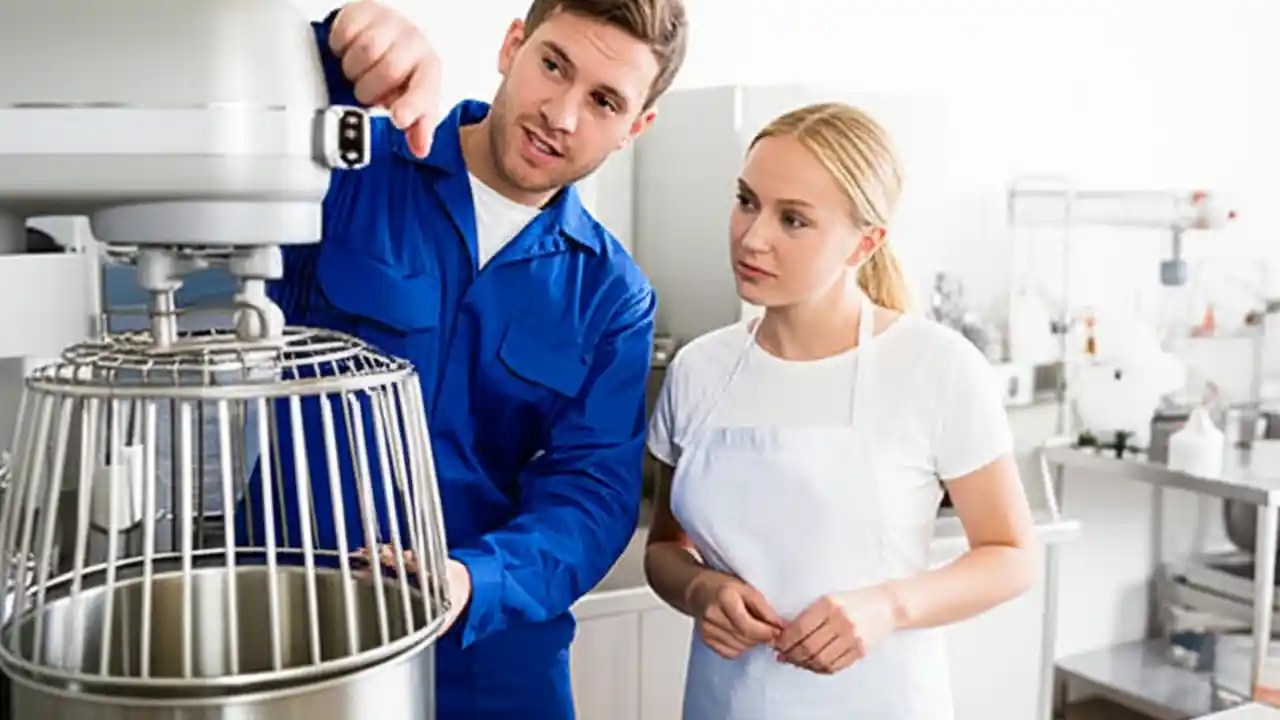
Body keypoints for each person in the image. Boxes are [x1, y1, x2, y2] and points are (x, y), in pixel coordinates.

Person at [237, 1, 689, 718]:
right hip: (301, 625)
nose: (562, 116)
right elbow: (257, 115)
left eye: (604, 101)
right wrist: (339, 46)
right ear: (513, 45)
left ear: (637, 128)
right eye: (554, 65)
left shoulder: (612, 296)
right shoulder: (351, 175)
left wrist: (470, 581)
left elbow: (593, 494)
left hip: (490, 653)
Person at [642, 102, 1039, 719]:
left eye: (793, 220)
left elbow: (1012, 555)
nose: (752, 236)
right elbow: (666, 547)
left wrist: (889, 606)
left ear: (865, 243)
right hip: (726, 702)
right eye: (746, 201)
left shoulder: (935, 367)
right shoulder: (699, 371)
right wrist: (700, 589)